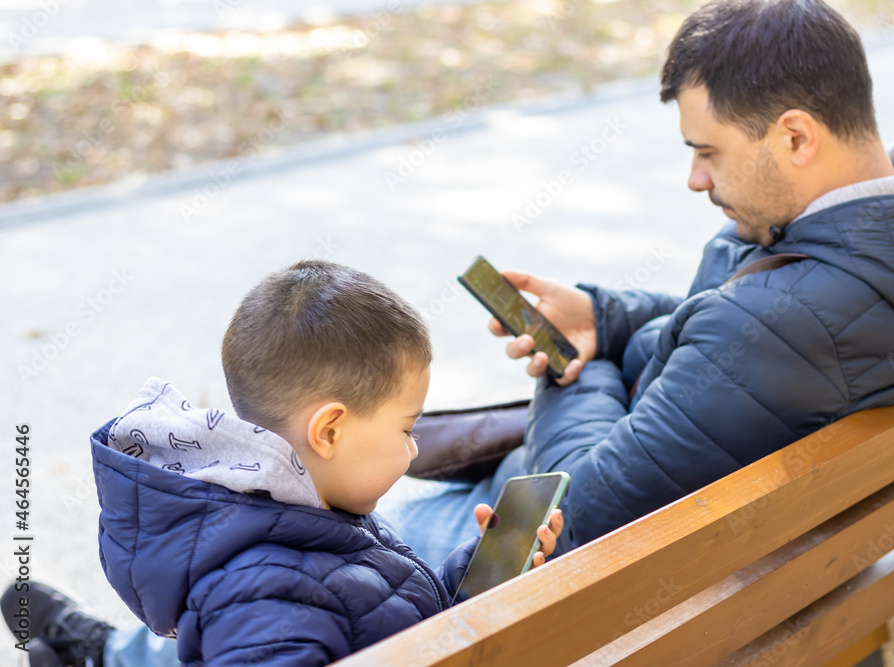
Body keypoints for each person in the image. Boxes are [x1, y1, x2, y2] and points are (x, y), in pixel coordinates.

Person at [380, 0, 894, 566]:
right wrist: (604, 317)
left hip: (523, 559)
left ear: (795, 137)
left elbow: (566, 521)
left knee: (346, 532)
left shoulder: (781, 323)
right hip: (737, 549)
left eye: (708, 151)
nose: (695, 179)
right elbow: (721, 335)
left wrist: (572, 368)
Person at [2, 261, 561, 667]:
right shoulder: (263, 596)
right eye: (406, 430)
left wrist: (472, 580)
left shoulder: (313, 509)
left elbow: (390, 625)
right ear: (329, 431)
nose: (414, 449)